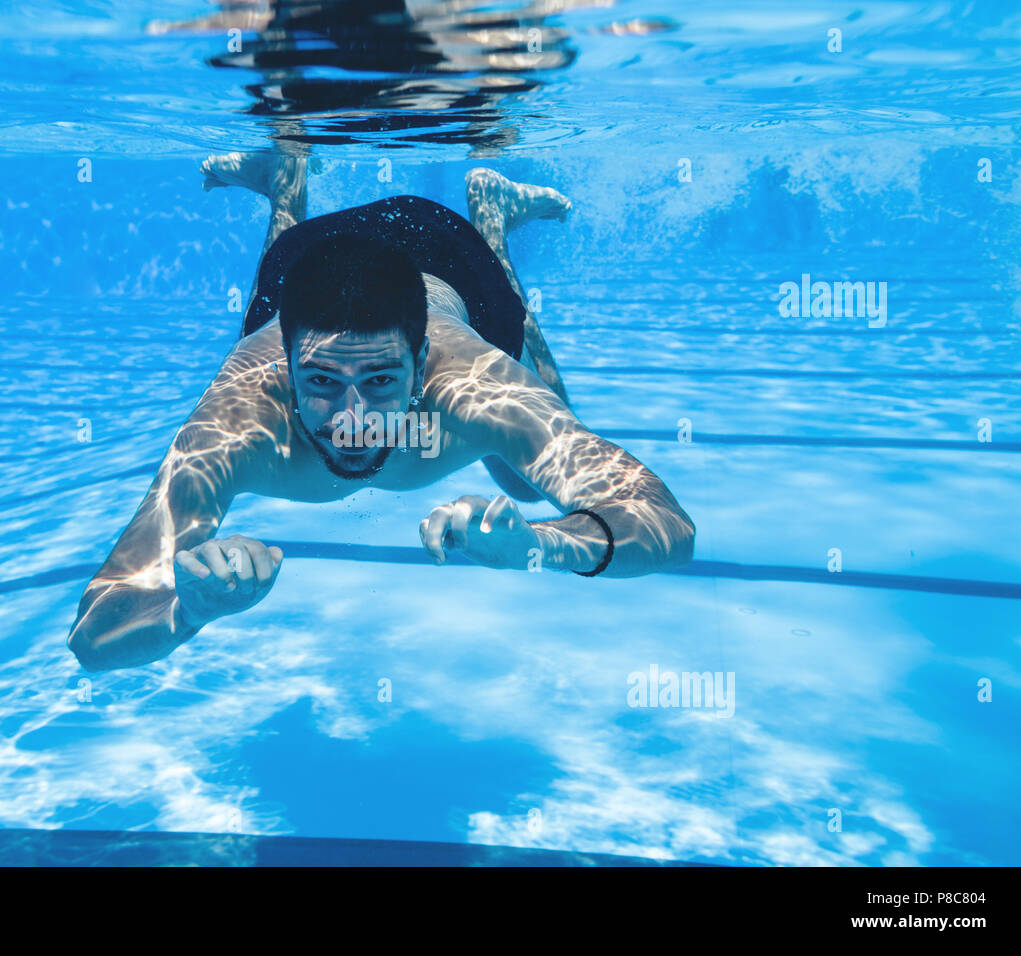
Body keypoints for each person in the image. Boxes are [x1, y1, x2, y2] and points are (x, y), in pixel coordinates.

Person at [66, 153, 694, 671]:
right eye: (321, 381)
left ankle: (491, 217)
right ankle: (286, 176)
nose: (353, 416)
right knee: (280, 271)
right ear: (284, 369)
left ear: (422, 365)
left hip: (450, 257)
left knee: (523, 488)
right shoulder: (235, 423)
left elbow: (668, 524)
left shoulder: (477, 385)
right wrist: (187, 613)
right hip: (313, 259)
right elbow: (92, 635)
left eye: (381, 379)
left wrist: (543, 545)